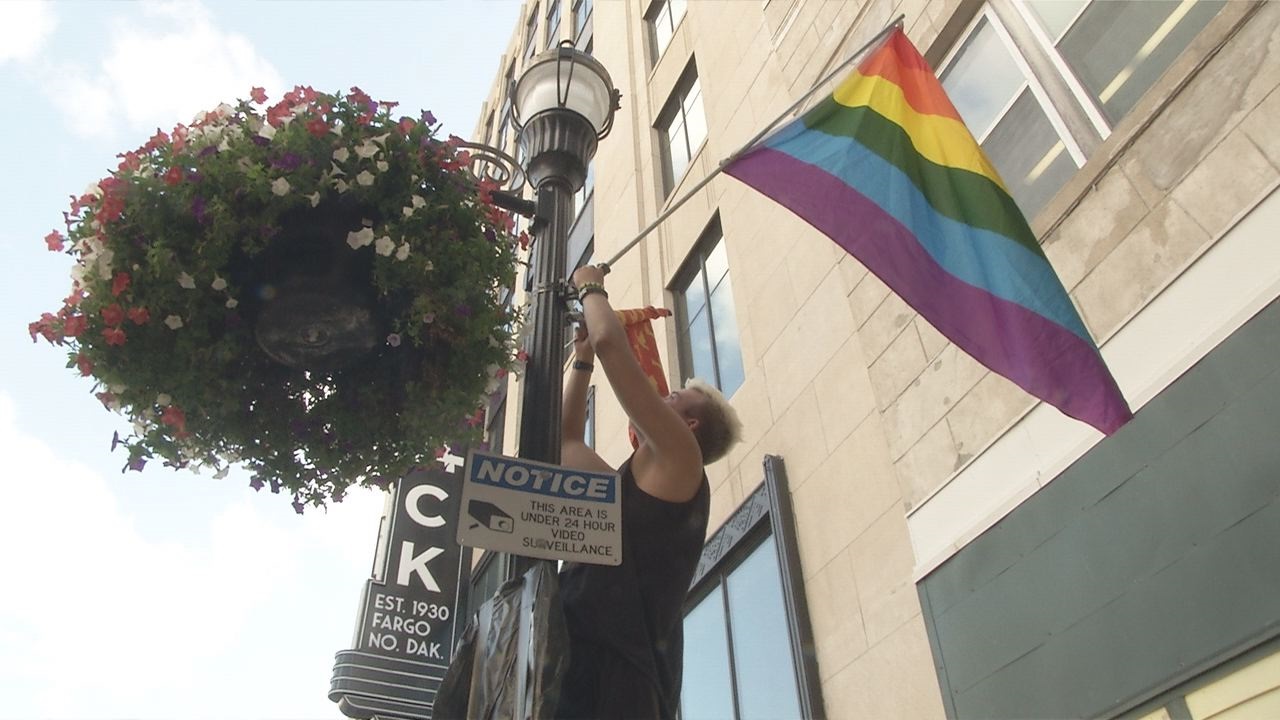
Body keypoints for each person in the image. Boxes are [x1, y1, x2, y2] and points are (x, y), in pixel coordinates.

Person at [554, 263, 743, 719]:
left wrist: (590, 285)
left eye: (675, 396)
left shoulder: (683, 460)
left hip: (621, 684)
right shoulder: (625, 487)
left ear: (689, 425)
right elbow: (566, 443)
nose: (662, 395)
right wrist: (582, 360)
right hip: (572, 662)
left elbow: (610, 341)